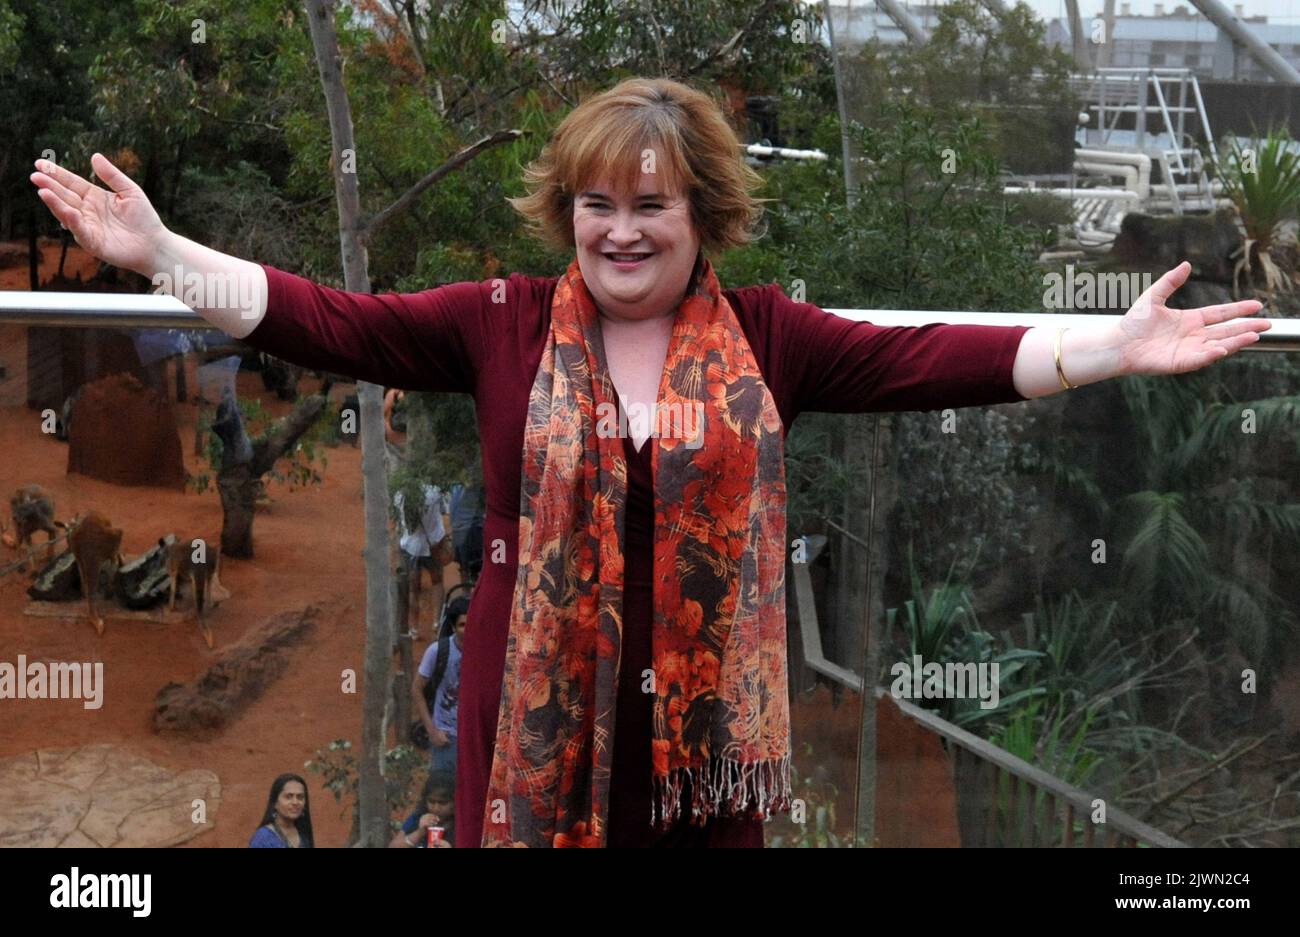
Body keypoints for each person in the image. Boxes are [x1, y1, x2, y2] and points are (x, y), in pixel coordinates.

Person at [31, 77, 1270, 848]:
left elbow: (933, 359)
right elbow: (326, 321)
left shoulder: (770, 338)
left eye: (651, 205)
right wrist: (160, 252)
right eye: (595, 204)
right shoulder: (501, 320)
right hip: (527, 728)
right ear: (567, 211)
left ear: (703, 217)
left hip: (698, 759)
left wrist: (1111, 343)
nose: (620, 230)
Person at [413, 596, 469, 777]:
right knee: (443, 790)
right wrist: (432, 730)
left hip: (474, 738)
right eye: (462, 625)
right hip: (446, 737)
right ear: (453, 627)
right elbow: (416, 689)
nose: (467, 629)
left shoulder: (486, 652)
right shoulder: (437, 651)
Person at [394, 482, 451, 638]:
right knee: (437, 581)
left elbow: (399, 520)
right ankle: (437, 622)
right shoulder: (436, 490)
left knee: (414, 588)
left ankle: (414, 628)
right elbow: (445, 511)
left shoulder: (400, 493)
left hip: (410, 547)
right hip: (433, 544)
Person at [389, 769, 456, 848]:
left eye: (443, 803)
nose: (436, 808)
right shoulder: (417, 817)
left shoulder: (463, 824)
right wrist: (420, 832)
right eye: (431, 802)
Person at [248, 774, 314, 848]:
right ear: (275, 802)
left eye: (300, 797)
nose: (295, 802)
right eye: (288, 797)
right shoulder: (263, 838)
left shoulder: (303, 834)